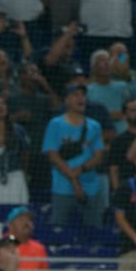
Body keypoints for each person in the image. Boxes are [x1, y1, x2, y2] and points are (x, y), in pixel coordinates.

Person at [43, 80, 108, 227]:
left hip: (91, 188)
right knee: (59, 230)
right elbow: (52, 155)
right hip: (63, 188)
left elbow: (98, 156)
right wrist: (74, 180)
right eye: (75, 95)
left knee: (93, 232)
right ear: (66, 100)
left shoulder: (94, 126)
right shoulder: (55, 124)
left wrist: (80, 170)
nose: (81, 98)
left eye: (83, 95)